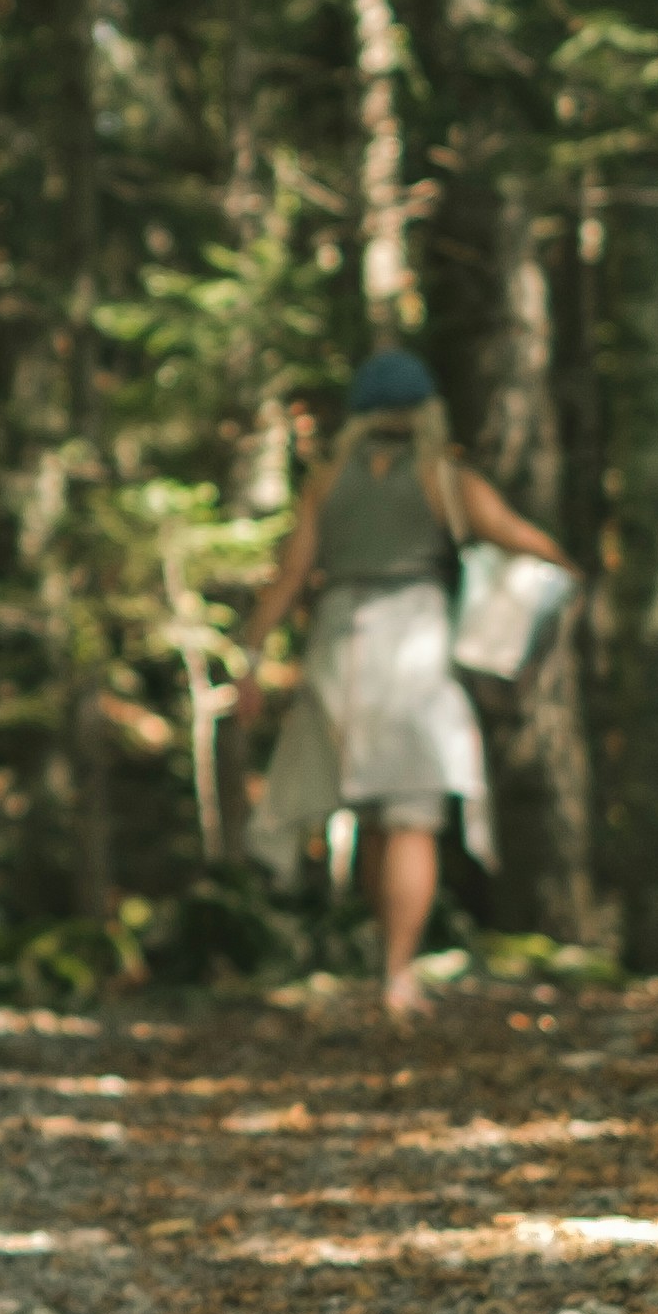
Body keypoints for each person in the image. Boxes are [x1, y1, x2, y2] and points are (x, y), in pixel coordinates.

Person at [242, 347, 570, 1020]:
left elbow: (290, 577)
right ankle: (398, 975)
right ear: (426, 411)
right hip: (413, 645)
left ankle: (384, 968)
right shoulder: (444, 478)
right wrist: (541, 589)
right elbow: (530, 547)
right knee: (414, 816)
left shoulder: (326, 481)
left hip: (341, 649)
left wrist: (249, 657)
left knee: (371, 816)